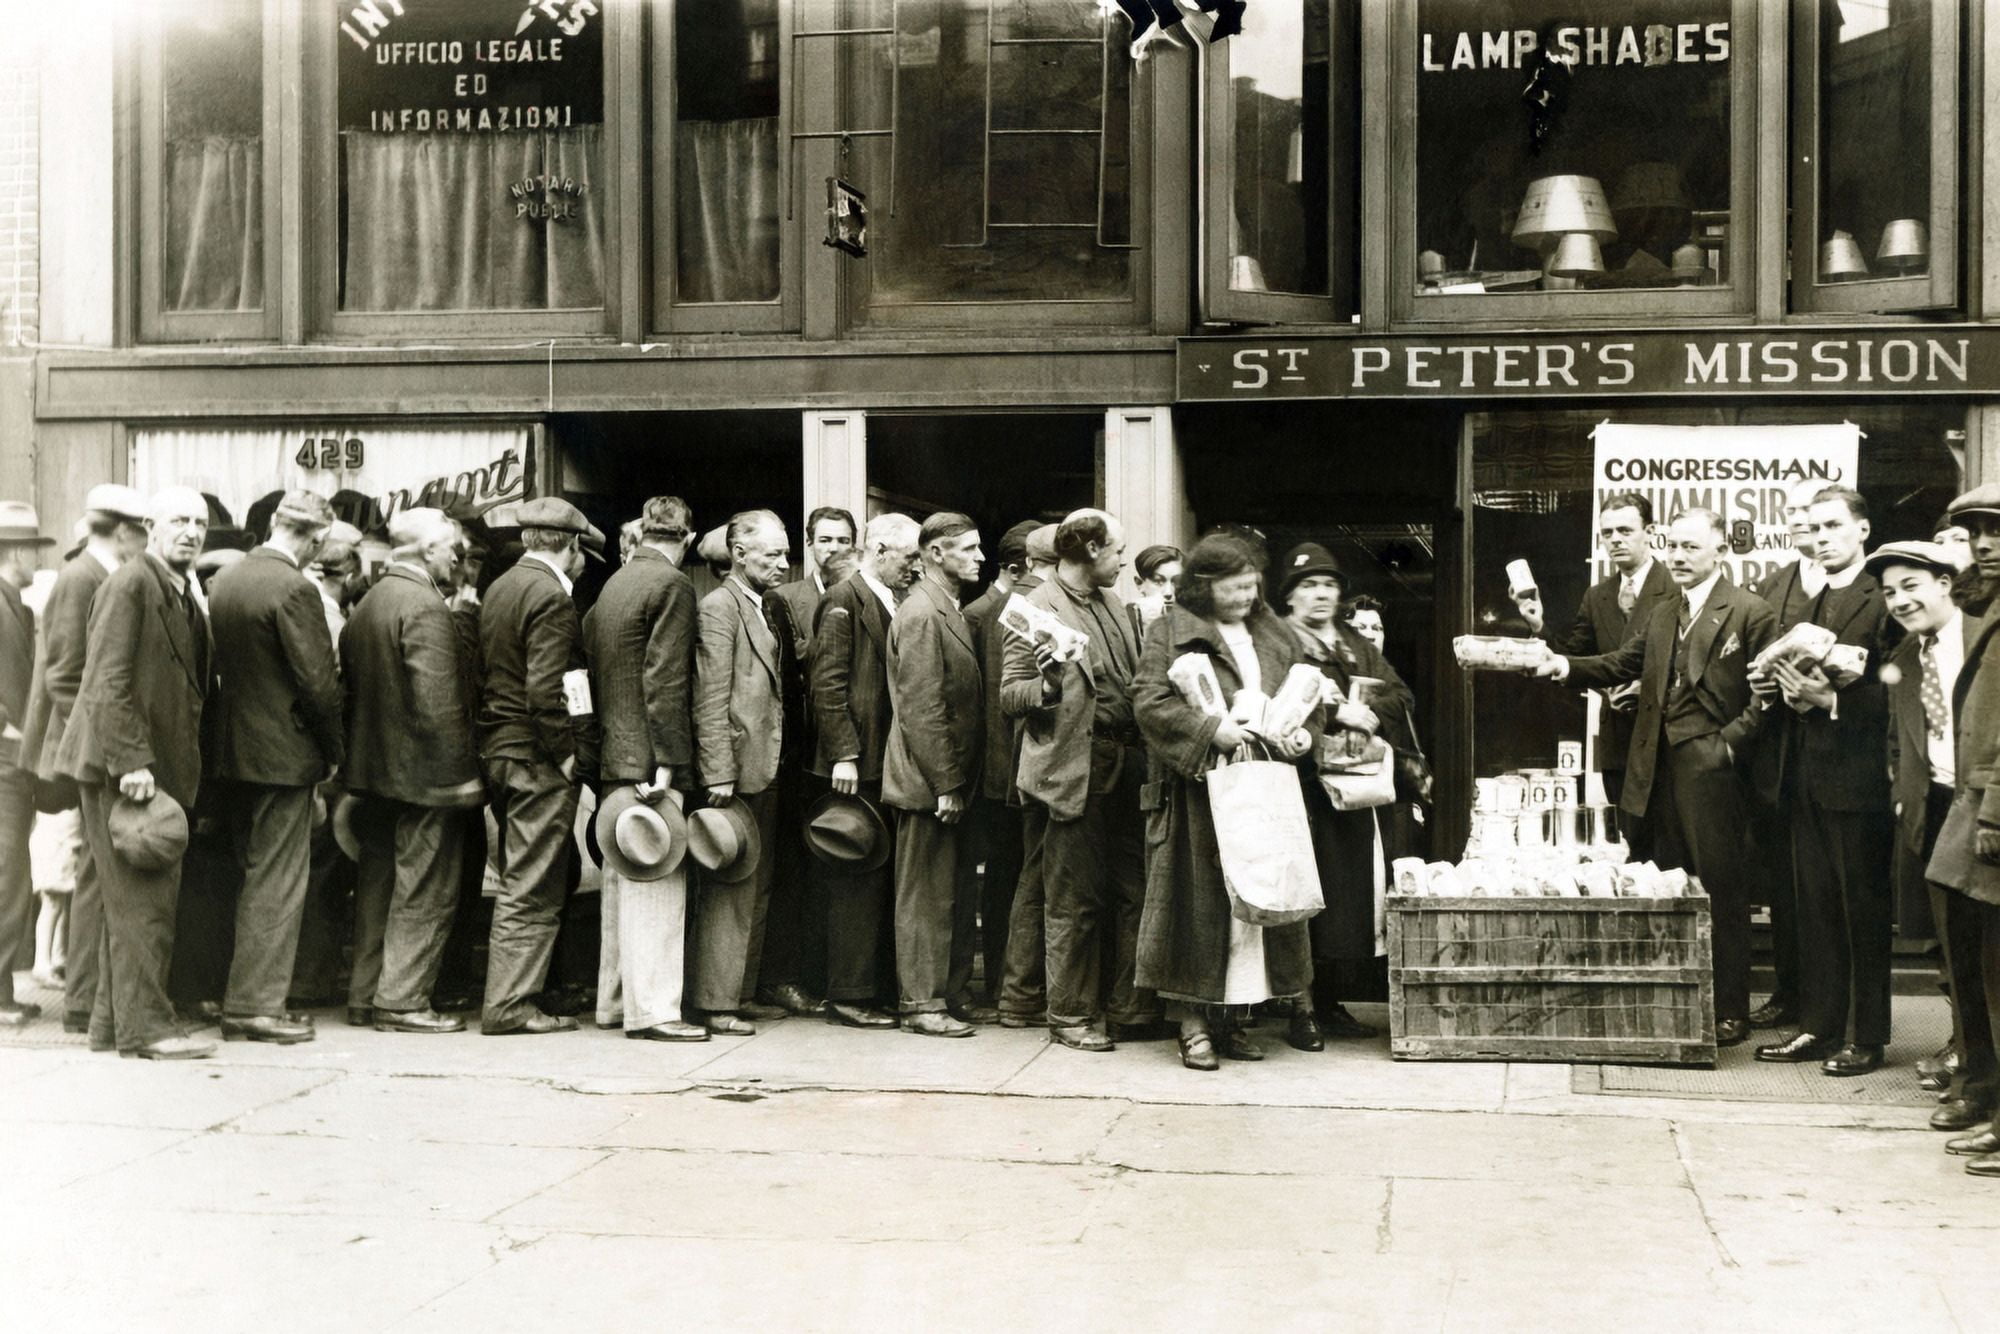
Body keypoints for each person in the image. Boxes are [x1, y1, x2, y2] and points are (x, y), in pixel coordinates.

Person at [1533, 508, 1776, 1048]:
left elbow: (1767, 693)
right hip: (1653, 767)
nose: (1680, 557)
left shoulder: (1749, 611)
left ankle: (1730, 1007)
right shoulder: (1665, 611)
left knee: (1720, 889)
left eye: (1692, 547)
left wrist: (1727, 746)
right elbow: (1622, 663)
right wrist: (1559, 665)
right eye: (1675, 547)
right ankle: (1676, 999)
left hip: (1710, 769)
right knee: (1665, 883)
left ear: (1720, 550)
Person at [1133, 532, 1318, 1071]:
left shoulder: (1275, 633)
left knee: (1250, 911)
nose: (1244, 597)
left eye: (1250, 586)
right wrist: (1208, 731)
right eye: (1233, 588)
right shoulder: (1170, 632)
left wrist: (1303, 737)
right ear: (1204, 585)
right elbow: (1147, 700)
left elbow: (1307, 703)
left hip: (1262, 787)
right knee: (1197, 910)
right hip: (1198, 795)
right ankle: (1192, 1025)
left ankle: (1234, 1019)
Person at [55, 486, 215, 1060]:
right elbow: (105, 682)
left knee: (125, 902)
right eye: (179, 520)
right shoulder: (132, 584)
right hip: (123, 766)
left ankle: (109, 1026)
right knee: (144, 902)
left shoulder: (170, 588)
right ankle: (147, 1028)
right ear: (150, 525)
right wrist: (132, 766)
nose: (191, 532)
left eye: (200, 522)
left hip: (134, 763)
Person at [1003, 508, 1158, 1052]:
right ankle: (1069, 1014)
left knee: (1134, 893)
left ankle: (1126, 1009)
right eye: (1117, 550)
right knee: (1074, 900)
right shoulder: (1034, 607)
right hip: (1074, 768)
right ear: (1091, 549)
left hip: (1126, 764)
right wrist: (1045, 687)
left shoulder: (1113, 602)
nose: (1122, 559)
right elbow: (1010, 693)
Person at [1751, 487, 1894, 1076]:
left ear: (1862, 529)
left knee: (1860, 907)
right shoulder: (1813, 595)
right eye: (1813, 527)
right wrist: (1775, 686)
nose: (1822, 536)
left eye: (1833, 525)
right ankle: (1819, 1023)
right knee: (1813, 907)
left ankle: (1867, 1036)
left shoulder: (1885, 595)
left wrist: (1832, 700)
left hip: (1857, 777)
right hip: (1804, 771)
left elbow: (1897, 688)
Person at [204, 491, 342, 1045]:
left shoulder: (229, 579)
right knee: (278, 882)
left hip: (233, 754)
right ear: (314, 539)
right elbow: (319, 684)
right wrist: (334, 751)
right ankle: (257, 1006)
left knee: (251, 874)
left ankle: (244, 998)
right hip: (284, 758)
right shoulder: (295, 588)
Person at [342, 508, 485, 1034]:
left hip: (375, 775)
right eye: (452, 550)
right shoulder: (426, 606)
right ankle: (402, 1001)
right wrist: (461, 778)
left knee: (378, 885)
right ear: (427, 551)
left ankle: (366, 995)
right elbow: (438, 702)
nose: (458, 559)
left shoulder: (370, 601)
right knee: (426, 888)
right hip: (426, 778)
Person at [1873, 539, 1997, 1138]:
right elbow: (1900, 735)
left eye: (1910, 586)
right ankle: (1975, 1087)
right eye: (1890, 592)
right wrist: (1904, 789)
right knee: (1957, 961)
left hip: (1988, 805)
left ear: (1946, 583)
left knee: (1993, 961)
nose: (1899, 600)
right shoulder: (1903, 654)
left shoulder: (1985, 637)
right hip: (1937, 810)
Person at [20, 483, 148, 1034]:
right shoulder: (83, 579)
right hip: (89, 751)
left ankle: (86, 999)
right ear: (123, 530)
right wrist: (107, 749)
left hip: (86, 748)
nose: (146, 538)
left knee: (94, 875)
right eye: (142, 528)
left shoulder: (90, 574)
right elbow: (66, 677)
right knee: (99, 875)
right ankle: (86, 1000)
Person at [1278, 542, 1415, 1046]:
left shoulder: (1357, 645)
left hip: (1351, 790)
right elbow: (1269, 704)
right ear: (1289, 595)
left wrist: (1372, 713)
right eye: (1309, 585)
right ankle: (1300, 1008)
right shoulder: (1277, 641)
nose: (1320, 595)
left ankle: (1330, 1000)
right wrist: (1334, 713)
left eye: (1329, 585)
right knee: (1301, 897)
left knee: (1345, 900)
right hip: (1298, 786)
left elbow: (1400, 692)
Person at [582, 495, 707, 1043]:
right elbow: (664, 681)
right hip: (649, 763)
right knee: (656, 881)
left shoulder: (616, 583)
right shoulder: (672, 586)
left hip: (615, 754)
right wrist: (669, 764)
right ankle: (655, 1010)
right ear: (688, 537)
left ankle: (614, 1001)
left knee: (620, 883)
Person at [476, 497, 602, 1036]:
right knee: (531, 887)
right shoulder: (552, 598)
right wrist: (569, 753)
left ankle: (524, 993)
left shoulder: (501, 588)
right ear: (572, 545)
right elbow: (548, 689)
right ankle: (509, 1006)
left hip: (502, 753)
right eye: (582, 553)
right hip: (536, 758)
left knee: (529, 875)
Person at [806, 512, 921, 1029]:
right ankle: (848, 995)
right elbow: (826, 683)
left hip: (883, 760)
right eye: (909, 557)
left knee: (876, 878)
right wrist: (843, 754)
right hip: (860, 763)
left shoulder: (890, 599)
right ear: (879, 550)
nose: (915, 567)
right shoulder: (844, 600)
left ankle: (870, 989)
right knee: (856, 878)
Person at [1916, 487, 2000, 1176]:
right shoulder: (1988, 607)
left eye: (1998, 532)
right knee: (1970, 960)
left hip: (1990, 813)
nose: (1987, 545)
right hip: (1967, 807)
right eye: (1978, 533)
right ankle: (1983, 1088)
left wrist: (1996, 810)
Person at [883, 513, 988, 1037]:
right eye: (968, 550)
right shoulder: (923, 612)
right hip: (929, 784)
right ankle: (922, 1003)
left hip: (948, 780)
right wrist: (945, 782)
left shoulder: (947, 607)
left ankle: (946, 993)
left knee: (950, 893)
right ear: (936, 555)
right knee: (925, 897)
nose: (980, 558)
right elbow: (922, 707)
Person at [692, 510, 793, 1035]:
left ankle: (741, 991)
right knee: (731, 888)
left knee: (757, 885)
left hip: (763, 764)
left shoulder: (760, 605)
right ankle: (716, 1001)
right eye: (772, 554)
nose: (783, 562)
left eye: (783, 552)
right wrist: (718, 773)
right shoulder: (719, 608)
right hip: (738, 771)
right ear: (739, 555)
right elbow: (710, 698)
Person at [1742, 478, 1833, 1031]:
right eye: (1793, 510)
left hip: (1834, 753)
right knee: (1784, 885)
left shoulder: (1866, 583)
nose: (1800, 518)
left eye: (1812, 510)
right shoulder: (1772, 585)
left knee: (1830, 891)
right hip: (1776, 758)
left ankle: (1832, 1009)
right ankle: (1790, 991)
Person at [1547, 491, 1677, 857]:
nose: (1615, 539)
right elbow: (1574, 658)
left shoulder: (1677, 589)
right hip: (1618, 742)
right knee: (1632, 850)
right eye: (1607, 533)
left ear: (1650, 532)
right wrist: (1537, 623)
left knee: (1669, 853)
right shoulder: (1597, 596)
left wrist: (1648, 688)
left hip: (1665, 742)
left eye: (1625, 530)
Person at [962, 519, 1042, 1020]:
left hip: (1009, 770)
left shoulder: (990, 611)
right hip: (998, 772)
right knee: (1003, 880)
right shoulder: (982, 615)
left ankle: (1007, 981)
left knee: (1010, 880)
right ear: (1018, 568)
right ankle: (1000, 981)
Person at [0, 501, 54, 1027]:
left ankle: (4, 993)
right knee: (4, 874)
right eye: (33, 549)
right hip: (3, 761)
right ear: (16, 551)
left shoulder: (17, 604)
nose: (35, 559)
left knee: (12, 874)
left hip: (13, 762)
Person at [774, 506, 858, 657]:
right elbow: (792, 658)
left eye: (844, 541)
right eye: (825, 540)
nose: (834, 548)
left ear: (853, 547)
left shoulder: (866, 595)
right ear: (809, 544)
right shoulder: (785, 597)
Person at [1131, 543, 1183, 635]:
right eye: (1158, 581)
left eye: (1177, 582)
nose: (1168, 592)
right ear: (1139, 583)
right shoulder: (1127, 626)